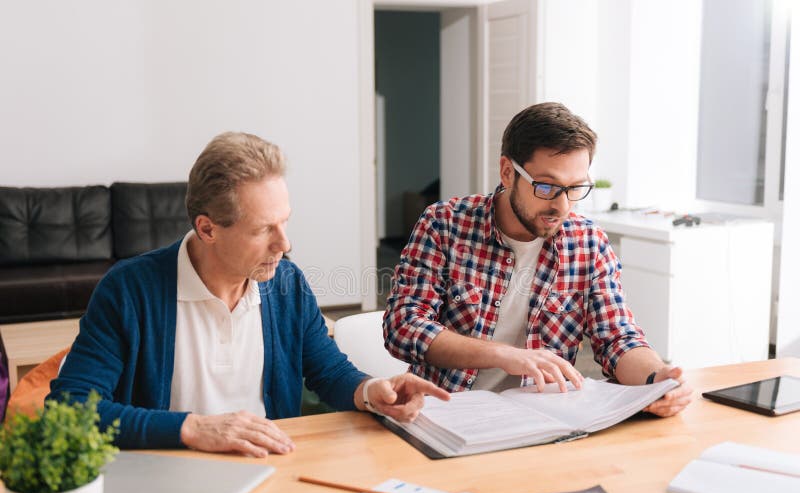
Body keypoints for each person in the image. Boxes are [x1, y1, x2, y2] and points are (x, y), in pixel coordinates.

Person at [49, 132, 449, 456]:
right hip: (169, 470)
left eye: (284, 223)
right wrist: (193, 428)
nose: (285, 244)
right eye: (263, 230)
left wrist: (369, 391)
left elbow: (327, 372)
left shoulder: (286, 284)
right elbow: (70, 408)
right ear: (208, 229)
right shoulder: (128, 290)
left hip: (271, 468)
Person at [383, 102, 691, 417]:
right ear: (507, 172)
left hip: (543, 418)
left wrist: (657, 379)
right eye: (547, 186)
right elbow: (403, 327)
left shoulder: (588, 242)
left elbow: (617, 337)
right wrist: (503, 355)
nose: (563, 206)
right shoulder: (445, 224)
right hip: (450, 413)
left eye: (575, 189)